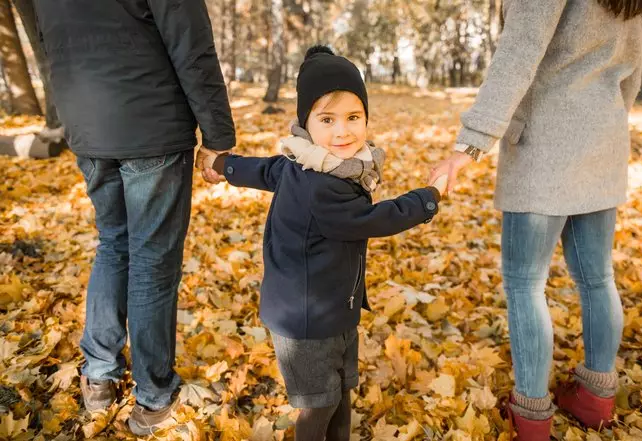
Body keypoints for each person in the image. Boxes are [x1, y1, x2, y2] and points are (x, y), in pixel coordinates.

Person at [428, 1, 642, 439]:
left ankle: (531, 415)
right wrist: (607, 121)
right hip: (604, 136)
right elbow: (633, 65)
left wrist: (470, 144)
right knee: (597, 278)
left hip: (545, 146)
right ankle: (597, 398)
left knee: (525, 283)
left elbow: (518, 54)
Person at [197, 45, 443, 441]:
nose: (342, 131)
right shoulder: (319, 184)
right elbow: (376, 219)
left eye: (353, 117)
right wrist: (427, 198)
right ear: (305, 123)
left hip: (334, 308)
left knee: (341, 392)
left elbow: (261, 169)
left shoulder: (304, 160)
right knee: (320, 402)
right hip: (306, 320)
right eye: (327, 119)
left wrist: (222, 165)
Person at [33, 0, 236, 435]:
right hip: (151, 126)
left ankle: (101, 374)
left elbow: (48, 41)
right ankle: (153, 394)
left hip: (87, 127)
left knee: (114, 245)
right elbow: (192, 46)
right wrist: (218, 136)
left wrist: (69, 113)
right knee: (152, 263)